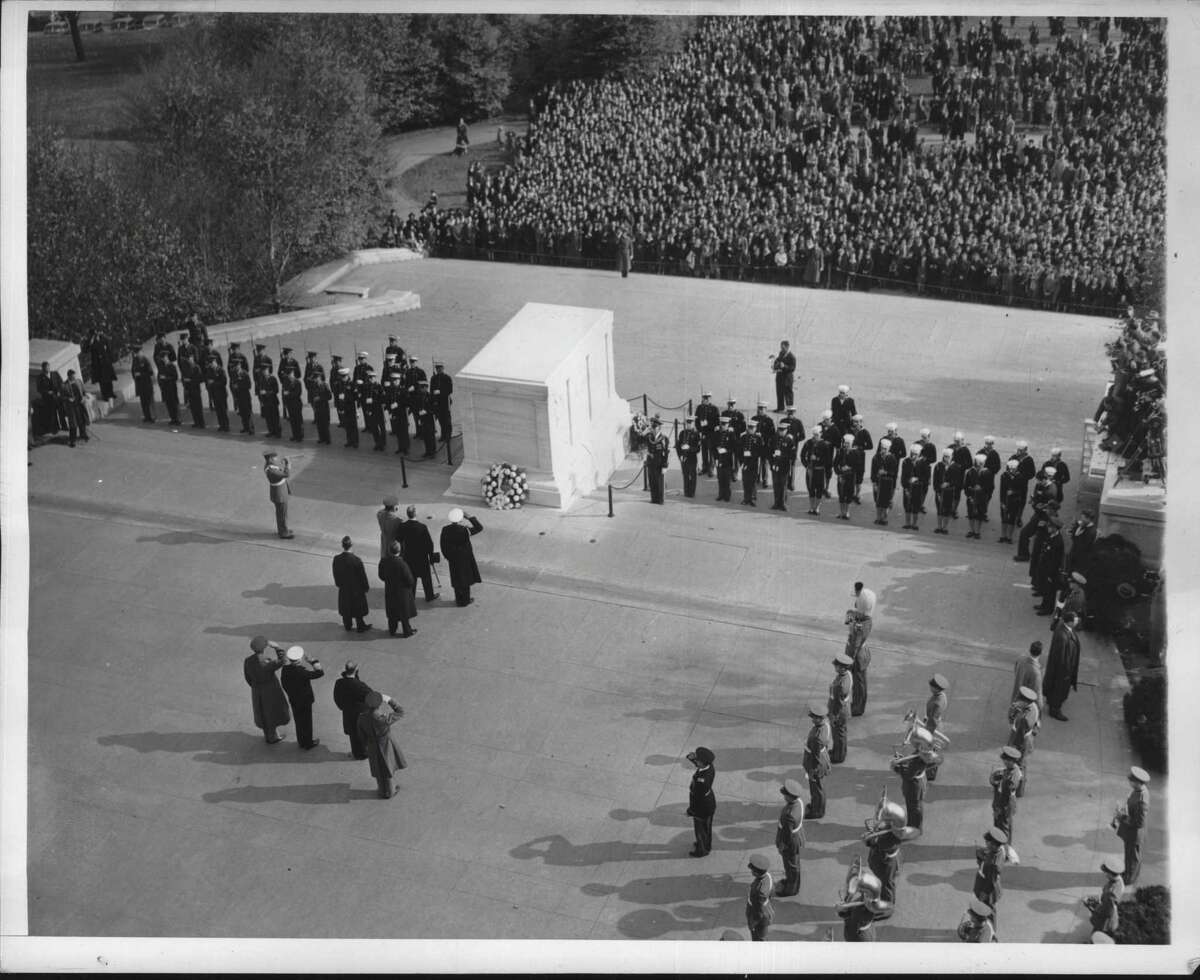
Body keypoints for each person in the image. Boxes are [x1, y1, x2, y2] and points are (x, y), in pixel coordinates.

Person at [356, 690, 408, 799]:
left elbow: (361, 734)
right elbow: (401, 711)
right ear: (379, 705)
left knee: (378, 768)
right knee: (388, 766)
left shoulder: (361, 717)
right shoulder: (383, 719)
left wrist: (366, 745)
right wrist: (389, 700)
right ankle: (389, 792)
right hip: (386, 743)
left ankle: (381, 790)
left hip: (372, 744)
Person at [243, 635, 290, 744]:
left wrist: (255, 686)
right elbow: (283, 661)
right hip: (270, 690)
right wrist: (277, 647)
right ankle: (273, 737)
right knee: (272, 712)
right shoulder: (267, 662)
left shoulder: (248, 661)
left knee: (262, 713)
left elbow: (247, 677)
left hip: (256, 690)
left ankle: (268, 735)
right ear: (264, 648)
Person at [280, 646, 325, 750]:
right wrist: (313, 661)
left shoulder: (285, 670)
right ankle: (308, 743)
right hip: (305, 701)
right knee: (307, 722)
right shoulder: (302, 672)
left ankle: (301, 741)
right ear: (299, 659)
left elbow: (284, 685)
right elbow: (320, 673)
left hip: (294, 700)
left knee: (299, 721)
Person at [1114, 766, 1150, 886]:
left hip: (1134, 835)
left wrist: (1122, 817)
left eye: (1131, 781)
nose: (1129, 783)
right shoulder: (1138, 791)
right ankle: (1129, 874)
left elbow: (1139, 823)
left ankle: (1128, 879)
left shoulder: (1141, 799)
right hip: (1131, 833)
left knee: (1132, 858)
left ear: (1138, 783)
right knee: (1130, 856)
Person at [441, 508, 483, 606]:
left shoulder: (445, 529)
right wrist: (470, 517)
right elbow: (479, 527)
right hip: (464, 559)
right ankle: (465, 600)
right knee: (465, 580)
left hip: (453, 559)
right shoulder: (464, 530)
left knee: (456, 579)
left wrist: (448, 557)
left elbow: (443, 545)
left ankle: (458, 599)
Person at [1044, 613, 1081, 720]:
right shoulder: (1062, 636)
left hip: (1066, 667)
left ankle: (1052, 701)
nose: (1077, 621)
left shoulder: (1065, 628)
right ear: (1069, 622)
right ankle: (1054, 709)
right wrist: (1065, 672)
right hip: (1063, 670)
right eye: (1075, 620)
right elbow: (1061, 658)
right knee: (1059, 688)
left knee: (1057, 688)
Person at [332, 661, 372, 759]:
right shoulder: (360, 685)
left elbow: (337, 698)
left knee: (353, 735)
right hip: (360, 714)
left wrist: (343, 708)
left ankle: (357, 752)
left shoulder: (339, 682)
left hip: (348, 713)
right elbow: (372, 697)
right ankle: (362, 754)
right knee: (362, 734)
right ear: (356, 670)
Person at [378, 541, 418, 638]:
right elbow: (410, 580)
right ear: (399, 551)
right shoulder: (402, 564)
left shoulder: (383, 562)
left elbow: (381, 576)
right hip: (402, 592)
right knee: (404, 613)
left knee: (392, 612)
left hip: (390, 590)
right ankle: (407, 631)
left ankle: (392, 629)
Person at [332, 535, 371, 632]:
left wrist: (339, 584)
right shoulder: (356, 560)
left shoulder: (337, 559)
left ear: (342, 546)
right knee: (358, 608)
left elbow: (335, 574)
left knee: (346, 607)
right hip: (356, 590)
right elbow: (362, 576)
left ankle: (347, 625)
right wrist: (365, 587)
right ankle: (360, 626)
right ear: (351, 545)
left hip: (344, 588)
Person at [774, 779, 805, 897]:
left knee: (790, 865)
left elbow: (786, 835)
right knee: (794, 863)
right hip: (797, 837)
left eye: (785, 795)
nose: (784, 796)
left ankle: (791, 889)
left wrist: (781, 846)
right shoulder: (799, 802)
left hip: (790, 842)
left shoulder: (789, 815)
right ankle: (794, 883)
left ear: (790, 797)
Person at [1007, 687, 1040, 796]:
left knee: (1018, 765)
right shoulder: (1034, 707)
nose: (1017, 701)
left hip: (1021, 741)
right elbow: (1037, 725)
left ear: (1025, 701)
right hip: (1027, 738)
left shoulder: (1024, 718)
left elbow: (1019, 735)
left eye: (1020, 699)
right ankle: (1018, 787)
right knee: (1022, 764)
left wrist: (1014, 748)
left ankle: (1017, 789)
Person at [685, 746, 716, 857]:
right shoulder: (709, 767)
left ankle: (702, 850)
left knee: (701, 829)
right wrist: (692, 759)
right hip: (708, 803)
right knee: (705, 829)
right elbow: (700, 766)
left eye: (697, 760)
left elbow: (697, 799)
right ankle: (705, 844)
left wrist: (691, 811)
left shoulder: (702, 781)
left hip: (702, 808)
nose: (696, 761)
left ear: (702, 762)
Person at [803, 702, 832, 819]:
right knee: (818, 788)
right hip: (823, 758)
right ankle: (817, 806)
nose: (812, 719)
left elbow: (815, 757)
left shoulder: (817, 738)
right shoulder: (826, 726)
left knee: (816, 789)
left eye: (814, 718)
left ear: (820, 719)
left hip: (816, 764)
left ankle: (817, 811)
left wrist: (812, 771)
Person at [990, 745, 1024, 843]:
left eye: (1006, 761)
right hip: (1003, 802)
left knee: (1003, 826)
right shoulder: (1012, 770)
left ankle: (1004, 847)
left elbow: (1005, 796)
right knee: (1000, 824)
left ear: (1011, 761)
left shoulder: (1012, 778)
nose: (1004, 762)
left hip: (1004, 806)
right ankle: (998, 841)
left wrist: (998, 809)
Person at [1085, 858, 1125, 936]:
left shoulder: (1111, 893)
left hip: (1105, 918)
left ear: (1110, 874)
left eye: (1106, 873)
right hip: (1109, 909)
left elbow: (1107, 912)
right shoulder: (1119, 880)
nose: (1105, 874)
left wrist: (1092, 907)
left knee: (1098, 931)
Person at [828, 654, 853, 764]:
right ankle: (838, 752)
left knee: (838, 735)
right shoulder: (847, 675)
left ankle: (838, 757)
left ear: (842, 668)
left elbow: (837, 703)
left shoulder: (840, 685)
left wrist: (833, 716)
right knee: (841, 734)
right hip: (844, 709)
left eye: (837, 666)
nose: (835, 667)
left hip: (839, 712)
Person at [262, 451, 294, 539]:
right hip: (279, 493)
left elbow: (278, 468)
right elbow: (286, 474)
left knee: (281, 513)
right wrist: (288, 464)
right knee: (282, 514)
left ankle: (283, 529)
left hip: (280, 491)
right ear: (270, 459)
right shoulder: (271, 470)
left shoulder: (271, 466)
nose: (276, 459)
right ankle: (283, 533)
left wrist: (284, 461)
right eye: (274, 457)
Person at [924, 674, 949, 781]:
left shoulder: (937, 703)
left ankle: (930, 774)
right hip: (935, 723)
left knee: (931, 751)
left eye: (931, 686)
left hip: (933, 729)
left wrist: (927, 734)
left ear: (936, 688)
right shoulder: (941, 696)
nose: (930, 687)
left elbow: (933, 721)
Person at [745, 855, 774, 941]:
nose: (751, 871)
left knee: (758, 938)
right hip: (767, 909)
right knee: (762, 935)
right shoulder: (768, 876)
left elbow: (758, 913)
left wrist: (752, 924)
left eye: (752, 870)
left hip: (759, 917)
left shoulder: (759, 891)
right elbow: (770, 893)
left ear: (757, 872)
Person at [86, 328, 117, 401]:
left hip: (106, 362)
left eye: (96, 333)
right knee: (102, 382)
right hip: (98, 365)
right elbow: (86, 350)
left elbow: (108, 348)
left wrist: (111, 359)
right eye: (94, 334)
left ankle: (111, 393)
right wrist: (91, 341)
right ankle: (105, 395)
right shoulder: (91, 342)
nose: (96, 335)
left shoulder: (103, 339)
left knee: (109, 379)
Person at [1011, 641, 1044, 706]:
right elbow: (1036, 691)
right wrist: (1040, 706)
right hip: (1025, 702)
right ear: (1040, 653)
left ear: (1030, 650)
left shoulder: (1020, 659)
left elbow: (1015, 670)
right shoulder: (1036, 672)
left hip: (1016, 696)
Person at [646, 416, 670, 504]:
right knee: (652, 481)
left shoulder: (663, 439)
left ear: (659, 428)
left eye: (655, 427)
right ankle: (654, 499)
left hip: (659, 464)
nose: (654, 429)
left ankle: (660, 500)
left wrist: (665, 465)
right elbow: (646, 446)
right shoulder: (649, 437)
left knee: (659, 482)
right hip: (651, 463)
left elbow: (665, 453)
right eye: (652, 427)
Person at [695, 391, 720, 476]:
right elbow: (696, 420)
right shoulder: (699, 408)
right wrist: (699, 429)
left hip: (711, 433)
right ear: (702, 398)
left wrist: (708, 424)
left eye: (707, 398)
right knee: (704, 451)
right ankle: (704, 467)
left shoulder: (714, 408)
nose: (706, 399)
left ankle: (711, 469)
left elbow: (717, 422)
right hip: (703, 433)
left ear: (710, 398)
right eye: (704, 397)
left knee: (711, 452)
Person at [61, 369, 89, 447]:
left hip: (80, 405)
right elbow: (62, 397)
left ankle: (83, 435)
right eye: (72, 376)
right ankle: (72, 440)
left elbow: (84, 391)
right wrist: (68, 399)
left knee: (82, 421)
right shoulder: (64, 385)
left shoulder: (79, 381)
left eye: (74, 376)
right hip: (71, 408)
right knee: (73, 424)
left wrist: (84, 397)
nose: (74, 378)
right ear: (69, 376)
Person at [676, 415, 700, 498]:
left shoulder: (696, 434)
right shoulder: (682, 433)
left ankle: (692, 492)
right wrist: (680, 456)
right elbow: (678, 446)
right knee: (685, 475)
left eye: (691, 423)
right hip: (684, 458)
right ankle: (686, 492)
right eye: (688, 423)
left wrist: (689, 448)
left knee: (692, 476)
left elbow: (698, 449)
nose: (689, 425)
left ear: (693, 424)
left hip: (692, 458)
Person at [204, 354, 231, 432]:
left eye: (212, 363)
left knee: (223, 410)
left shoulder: (221, 370)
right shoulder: (209, 370)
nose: (211, 365)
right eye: (210, 364)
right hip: (214, 394)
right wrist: (210, 385)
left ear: (215, 362)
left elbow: (224, 382)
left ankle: (226, 426)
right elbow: (208, 380)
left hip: (221, 394)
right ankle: (221, 425)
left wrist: (214, 383)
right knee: (218, 411)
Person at [738, 419, 762, 505]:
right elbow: (739, 451)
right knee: (745, 481)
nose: (750, 429)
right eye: (749, 427)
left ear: (756, 428)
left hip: (753, 463)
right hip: (745, 463)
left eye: (752, 427)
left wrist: (751, 456)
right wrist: (742, 462)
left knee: (752, 481)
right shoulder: (743, 437)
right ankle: (746, 498)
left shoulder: (758, 438)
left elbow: (759, 451)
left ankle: (752, 498)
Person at [430, 361, 454, 443]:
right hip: (437, 402)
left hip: (445, 401)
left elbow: (450, 390)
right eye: (437, 368)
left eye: (440, 368)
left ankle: (448, 436)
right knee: (440, 420)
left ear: (443, 368)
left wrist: (440, 391)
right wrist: (433, 399)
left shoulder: (447, 378)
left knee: (447, 420)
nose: (438, 370)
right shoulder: (433, 378)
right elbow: (431, 390)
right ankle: (443, 435)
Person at [131, 350, 156, 423]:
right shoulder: (135, 360)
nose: (137, 355)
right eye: (136, 353)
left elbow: (150, 372)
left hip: (147, 384)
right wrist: (135, 376)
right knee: (143, 402)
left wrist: (141, 374)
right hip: (140, 385)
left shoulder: (145, 360)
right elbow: (132, 370)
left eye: (138, 353)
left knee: (149, 401)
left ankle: (152, 417)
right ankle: (146, 416)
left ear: (142, 352)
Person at [157, 353, 182, 426]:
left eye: (164, 358)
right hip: (165, 388)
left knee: (174, 404)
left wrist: (166, 378)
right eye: (162, 358)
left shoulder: (171, 366)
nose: (163, 359)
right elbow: (159, 377)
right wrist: (161, 382)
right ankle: (172, 418)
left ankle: (177, 419)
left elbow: (175, 377)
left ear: (167, 357)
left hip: (172, 388)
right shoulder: (161, 366)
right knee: (168, 404)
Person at [377, 496, 404, 562]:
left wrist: (387, 508)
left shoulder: (380, 515)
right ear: (394, 507)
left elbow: (380, 511)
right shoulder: (398, 521)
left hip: (384, 548)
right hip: (393, 549)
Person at [714, 418, 735, 501]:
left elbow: (734, 447)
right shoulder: (717, 434)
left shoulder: (731, 434)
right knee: (720, 478)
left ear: (728, 425)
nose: (723, 426)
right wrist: (715, 457)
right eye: (722, 424)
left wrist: (726, 450)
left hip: (727, 459)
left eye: (725, 424)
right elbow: (714, 446)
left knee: (727, 479)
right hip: (719, 459)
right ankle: (720, 494)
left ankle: (727, 495)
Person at [772, 340, 796, 411]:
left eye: (783, 348)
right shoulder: (781, 353)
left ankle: (790, 410)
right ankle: (780, 408)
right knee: (779, 392)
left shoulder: (792, 357)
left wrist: (784, 366)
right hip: (780, 377)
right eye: (781, 347)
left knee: (788, 393)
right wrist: (775, 365)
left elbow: (792, 368)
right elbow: (777, 360)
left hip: (787, 379)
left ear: (787, 347)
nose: (781, 349)